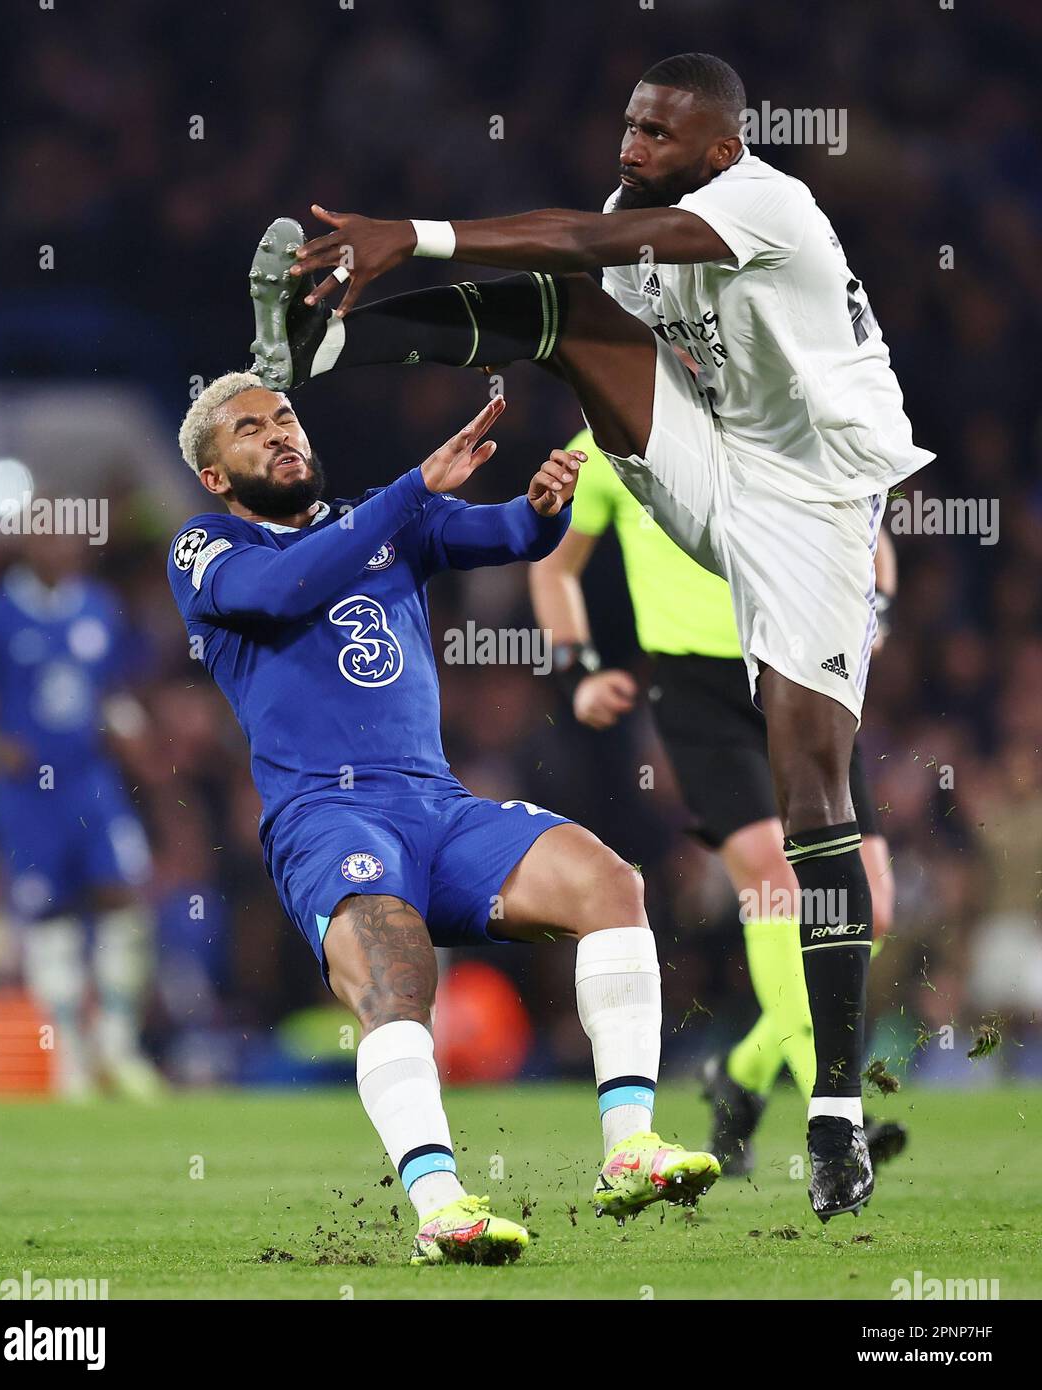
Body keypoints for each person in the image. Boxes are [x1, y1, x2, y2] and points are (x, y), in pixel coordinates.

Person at [248, 50, 933, 1220]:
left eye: (659, 138)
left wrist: (410, 231)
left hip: (818, 505)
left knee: (813, 791)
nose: (631, 151)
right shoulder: (639, 205)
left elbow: (580, 238)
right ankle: (319, 349)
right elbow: (573, 261)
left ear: (719, 151)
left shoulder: (766, 205)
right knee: (565, 317)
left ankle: (830, 1112)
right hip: (720, 464)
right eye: (627, 126)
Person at [166, 378, 721, 1266]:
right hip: (327, 815)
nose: (278, 435)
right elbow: (281, 590)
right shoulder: (208, 545)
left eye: (285, 418)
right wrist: (413, 490)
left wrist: (545, 508)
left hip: (436, 803)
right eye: (248, 430)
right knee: (397, 970)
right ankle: (440, 1205)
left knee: (609, 883)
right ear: (213, 476)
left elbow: (506, 533)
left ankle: (629, 1147)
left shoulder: (390, 523)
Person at [530, 427, 907, 1174]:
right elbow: (554, 564)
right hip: (696, 687)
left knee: (872, 910)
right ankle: (835, 1109)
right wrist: (577, 667)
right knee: (773, 881)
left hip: (799, 666)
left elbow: (868, 529)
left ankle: (740, 1073)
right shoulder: (605, 444)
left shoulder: (764, 413)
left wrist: (880, 613)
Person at [0, 531, 158, 1099]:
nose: (62, 546)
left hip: (90, 781)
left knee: (124, 893)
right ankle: (70, 1056)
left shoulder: (98, 606)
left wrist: (129, 728)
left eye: (70, 536)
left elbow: (114, 690)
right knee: (49, 915)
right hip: (24, 792)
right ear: (27, 543)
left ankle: (119, 1045)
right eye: (49, 535)